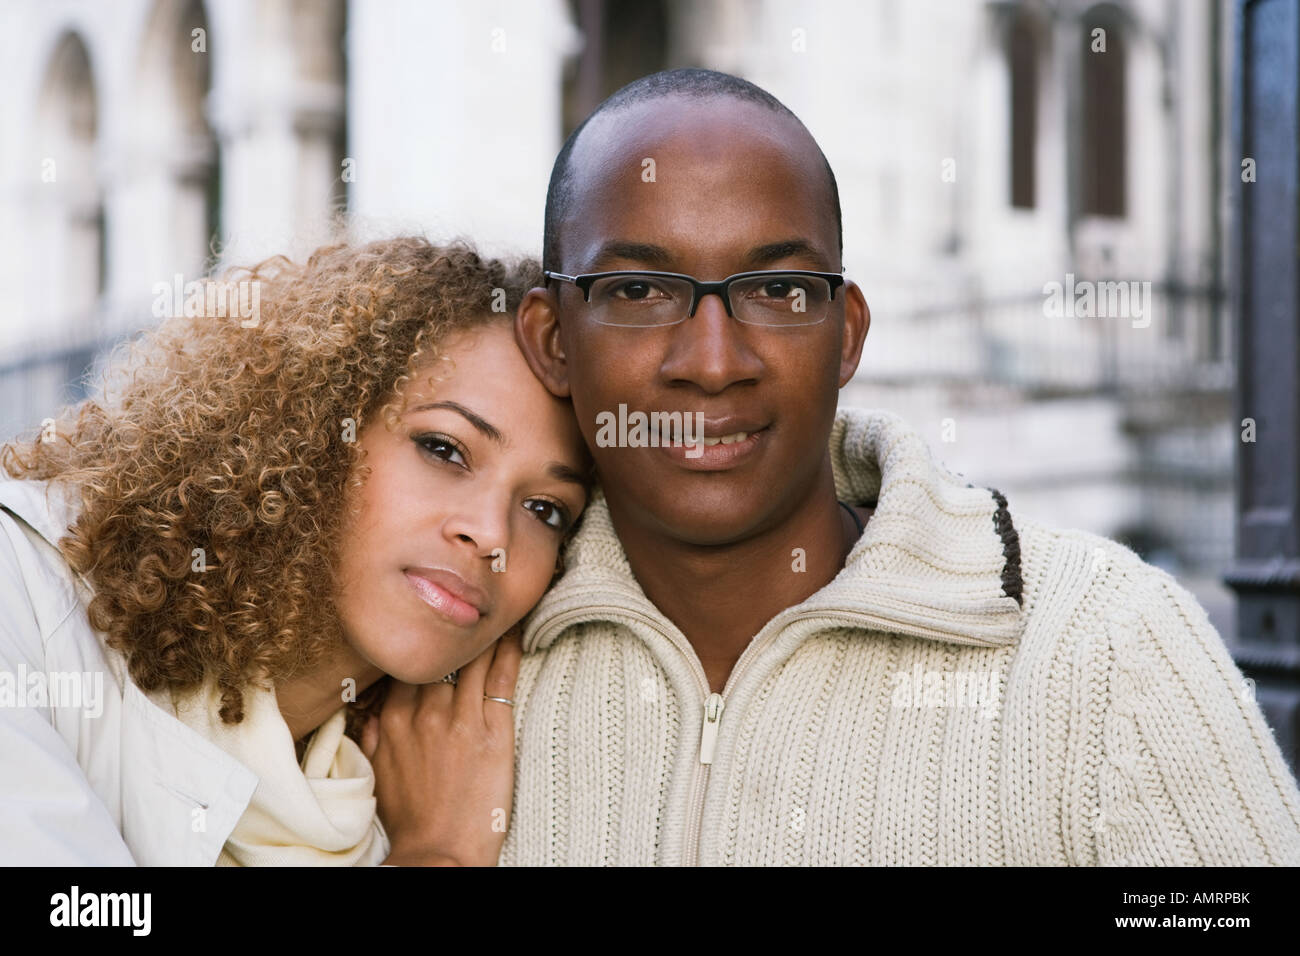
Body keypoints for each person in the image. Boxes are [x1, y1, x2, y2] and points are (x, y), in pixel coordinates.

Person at [500, 68, 1300, 865]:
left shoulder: (1108, 646)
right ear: (553, 340)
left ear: (847, 335)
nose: (713, 362)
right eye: (639, 289)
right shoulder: (457, 652)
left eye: (778, 289)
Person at [0, 236, 591, 865]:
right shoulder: (25, 594)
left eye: (545, 510)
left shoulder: (413, 791)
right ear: (319, 433)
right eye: (444, 449)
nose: (493, 535)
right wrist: (435, 854)